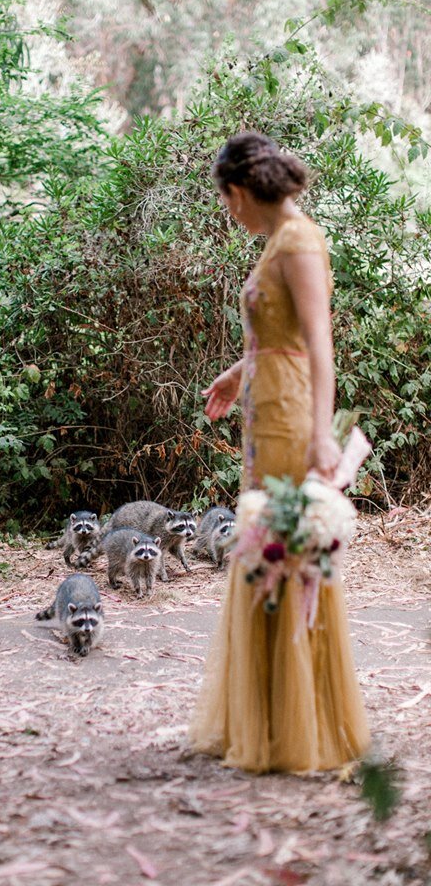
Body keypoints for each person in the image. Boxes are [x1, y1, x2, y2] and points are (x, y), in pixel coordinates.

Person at [188, 132, 370, 773]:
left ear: (239, 192)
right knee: (262, 547)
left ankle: (301, 721)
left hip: (295, 420)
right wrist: (238, 373)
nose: (227, 212)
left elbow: (320, 344)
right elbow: (279, 334)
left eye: (225, 200)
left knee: (286, 551)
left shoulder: (298, 241)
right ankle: (261, 714)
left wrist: (322, 434)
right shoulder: (275, 243)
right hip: (264, 417)